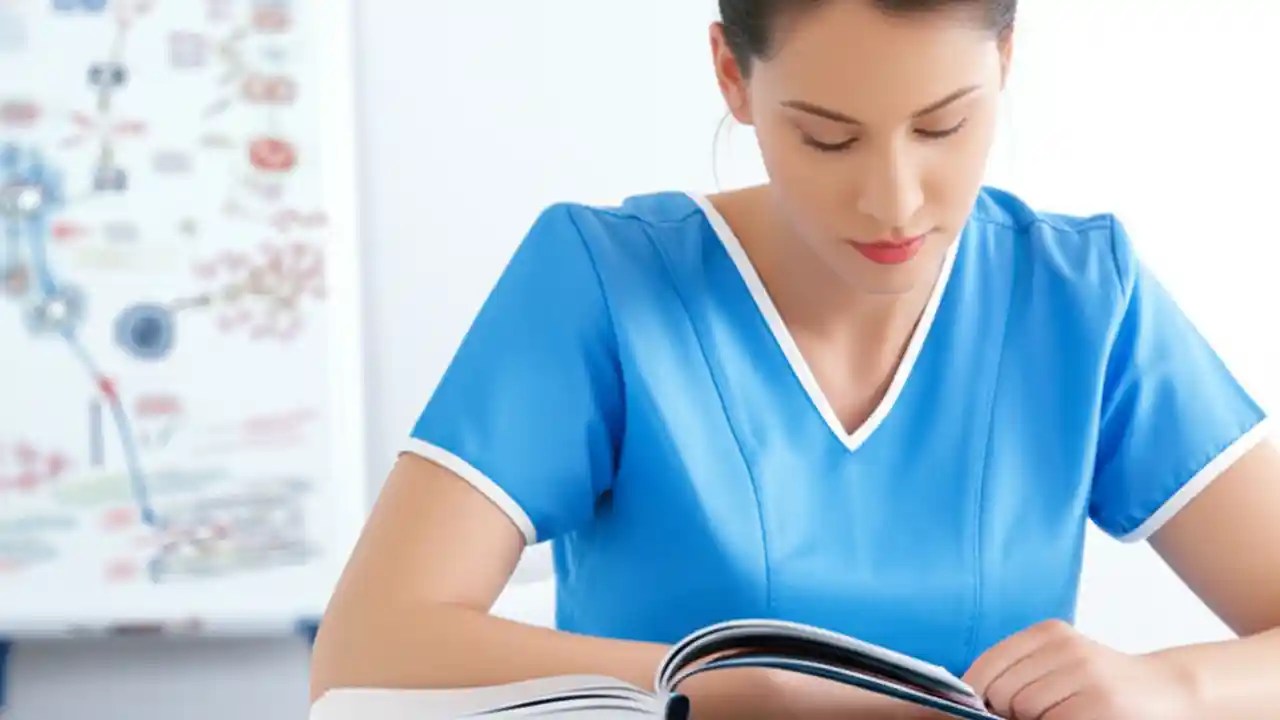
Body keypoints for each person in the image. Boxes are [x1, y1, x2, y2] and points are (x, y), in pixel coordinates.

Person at [310, 1, 1280, 717]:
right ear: (731, 76)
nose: (893, 202)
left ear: (1006, 59)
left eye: (943, 125)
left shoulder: (1078, 297)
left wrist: (1170, 686)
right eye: (827, 138)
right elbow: (364, 653)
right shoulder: (603, 285)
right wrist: (689, 682)